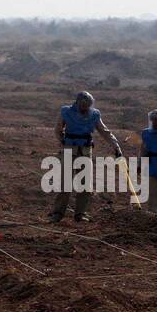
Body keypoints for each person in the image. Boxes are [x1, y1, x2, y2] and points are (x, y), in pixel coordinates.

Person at [49, 91, 122, 222]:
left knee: (85, 184)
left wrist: (116, 146)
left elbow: (105, 131)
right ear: (77, 103)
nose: (85, 107)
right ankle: (58, 213)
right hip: (69, 150)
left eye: (87, 105)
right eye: (83, 104)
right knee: (66, 183)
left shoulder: (94, 114)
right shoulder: (66, 112)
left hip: (85, 151)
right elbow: (58, 129)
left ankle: (80, 214)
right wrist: (63, 142)